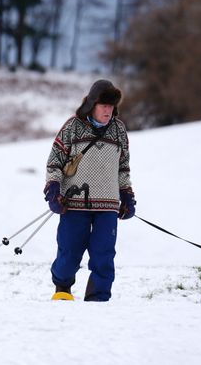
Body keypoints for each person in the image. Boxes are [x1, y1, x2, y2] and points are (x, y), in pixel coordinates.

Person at [44, 79, 136, 302]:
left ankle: (98, 299)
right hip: (74, 202)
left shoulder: (119, 130)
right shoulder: (72, 127)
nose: (108, 110)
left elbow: (123, 167)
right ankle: (63, 291)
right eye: (103, 105)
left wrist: (127, 195)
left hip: (108, 205)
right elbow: (55, 161)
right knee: (69, 251)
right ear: (92, 104)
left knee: (104, 255)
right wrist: (53, 188)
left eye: (111, 106)